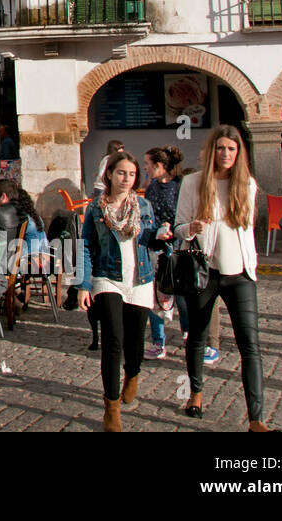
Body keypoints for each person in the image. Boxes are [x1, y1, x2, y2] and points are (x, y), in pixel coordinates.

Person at [175, 125, 272, 431]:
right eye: (221, 148)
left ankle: (256, 418)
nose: (226, 154)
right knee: (198, 337)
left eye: (232, 149)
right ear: (211, 151)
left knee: (250, 344)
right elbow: (178, 227)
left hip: (240, 273)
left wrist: (251, 267)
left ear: (239, 152)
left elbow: (247, 230)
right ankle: (196, 394)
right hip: (204, 271)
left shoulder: (247, 184)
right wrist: (192, 227)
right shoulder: (192, 182)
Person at [78, 152, 171, 432]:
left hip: (140, 280)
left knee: (134, 345)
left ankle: (133, 372)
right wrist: (83, 285)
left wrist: (159, 236)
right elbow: (85, 246)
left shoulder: (143, 206)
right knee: (113, 341)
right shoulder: (96, 209)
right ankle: (112, 406)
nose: (126, 179)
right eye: (121, 173)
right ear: (109, 174)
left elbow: (148, 239)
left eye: (131, 174)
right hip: (108, 278)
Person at [142, 145, 184, 360]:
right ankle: (158, 342)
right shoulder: (152, 187)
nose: (145, 168)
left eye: (148, 164)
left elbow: (184, 215)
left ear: (159, 166)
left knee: (182, 295)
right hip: (155, 246)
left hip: (177, 247)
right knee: (155, 296)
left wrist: (172, 229)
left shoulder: (179, 187)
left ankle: (189, 335)